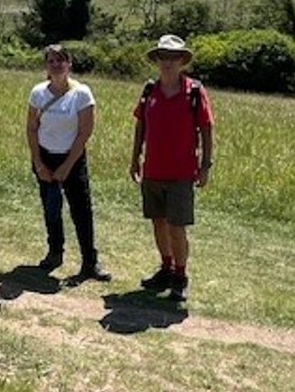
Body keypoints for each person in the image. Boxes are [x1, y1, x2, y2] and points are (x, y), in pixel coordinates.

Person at [129, 34, 215, 302]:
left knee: (177, 227)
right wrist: (135, 159)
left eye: (172, 57)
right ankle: (165, 268)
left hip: (181, 172)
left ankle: (180, 276)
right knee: (158, 222)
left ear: (181, 61)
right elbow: (140, 125)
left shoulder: (194, 92)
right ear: (157, 61)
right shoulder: (149, 91)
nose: (167, 62)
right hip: (153, 169)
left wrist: (205, 166)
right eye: (163, 57)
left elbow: (207, 127)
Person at [26, 44, 111, 283]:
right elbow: (31, 128)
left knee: (81, 211)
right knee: (51, 208)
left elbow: (85, 133)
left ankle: (90, 262)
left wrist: (67, 166)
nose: (56, 65)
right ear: (46, 65)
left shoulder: (82, 94)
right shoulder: (38, 93)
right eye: (52, 61)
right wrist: (39, 163)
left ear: (69, 64)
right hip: (45, 156)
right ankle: (54, 254)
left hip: (72, 158)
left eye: (61, 60)